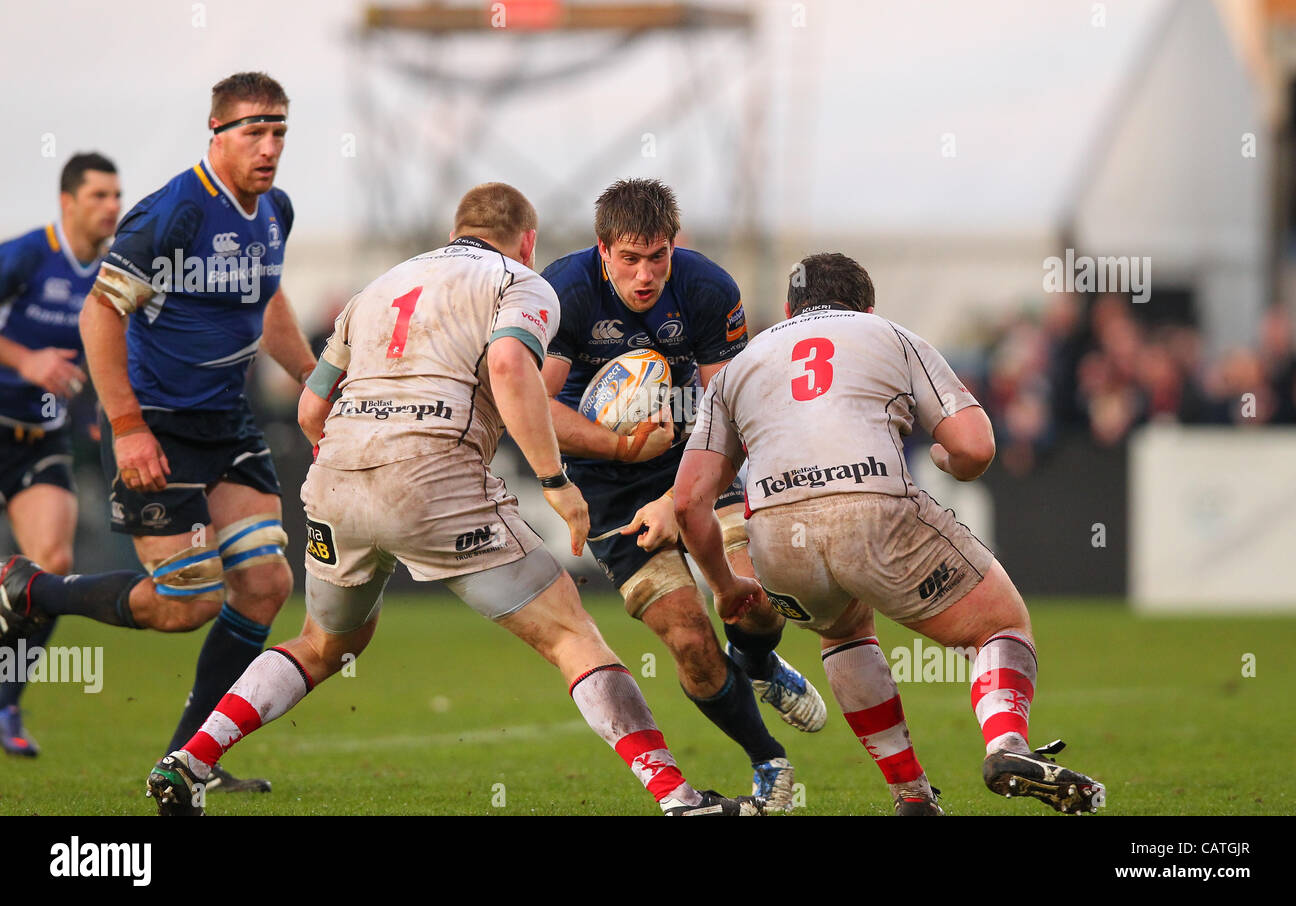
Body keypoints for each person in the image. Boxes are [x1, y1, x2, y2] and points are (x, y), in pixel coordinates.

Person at [144, 182, 761, 817]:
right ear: (528, 241)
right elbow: (509, 369)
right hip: (436, 481)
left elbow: (310, 408)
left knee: (324, 645)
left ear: (453, 233)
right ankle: (682, 801)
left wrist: (360, 459)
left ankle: (191, 758)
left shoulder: (376, 290)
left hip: (335, 483)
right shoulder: (521, 283)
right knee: (573, 637)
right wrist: (555, 481)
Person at [673, 252, 1107, 815]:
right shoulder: (892, 336)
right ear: (868, 307)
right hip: (872, 508)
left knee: (844, 633)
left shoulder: (740, 364)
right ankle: (1006, 743)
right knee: (1000, 624)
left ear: (787, 309)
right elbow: (975, 445)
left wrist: (725, 586)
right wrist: (952, 464)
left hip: (778, 536)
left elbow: (688, 503)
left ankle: (910, 794)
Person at [0, 72, 317, 794]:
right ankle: (33, 587)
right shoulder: (174, 212)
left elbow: (266, 302)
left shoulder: (276, 210)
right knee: (186, 604)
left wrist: (313, 380)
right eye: (254, 133)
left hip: (226, 422)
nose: (270, 148)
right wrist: (128, 428)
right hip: (158, 424)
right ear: (216, 132)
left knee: (266, 584)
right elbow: (98, 315)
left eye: (280, 134)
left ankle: (188, 762)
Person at [538, 179, 826, 812]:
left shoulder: (707, 289)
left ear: (675, 246)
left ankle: (756, 660)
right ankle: (768, 759)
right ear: (603, 249)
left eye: (658, 256)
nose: (645, 275)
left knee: (755, 600)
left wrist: (678, 497)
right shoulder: (565, 292)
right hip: (609, 489)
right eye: (630, 259)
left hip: (697, 463)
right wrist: (616, 450)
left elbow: (734, 413)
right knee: (691, 639)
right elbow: (531, 409)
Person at [0, 153, 121, 755]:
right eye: (99, 195)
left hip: (40, 439)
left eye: (117, 195)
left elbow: (109, 352)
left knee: (48, 563)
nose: (112, 207)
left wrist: (107, 411)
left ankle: (4, 704)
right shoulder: (27, 254)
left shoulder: (111, 276)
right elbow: (35, 353)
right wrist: (24, 359)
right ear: (67, 201)